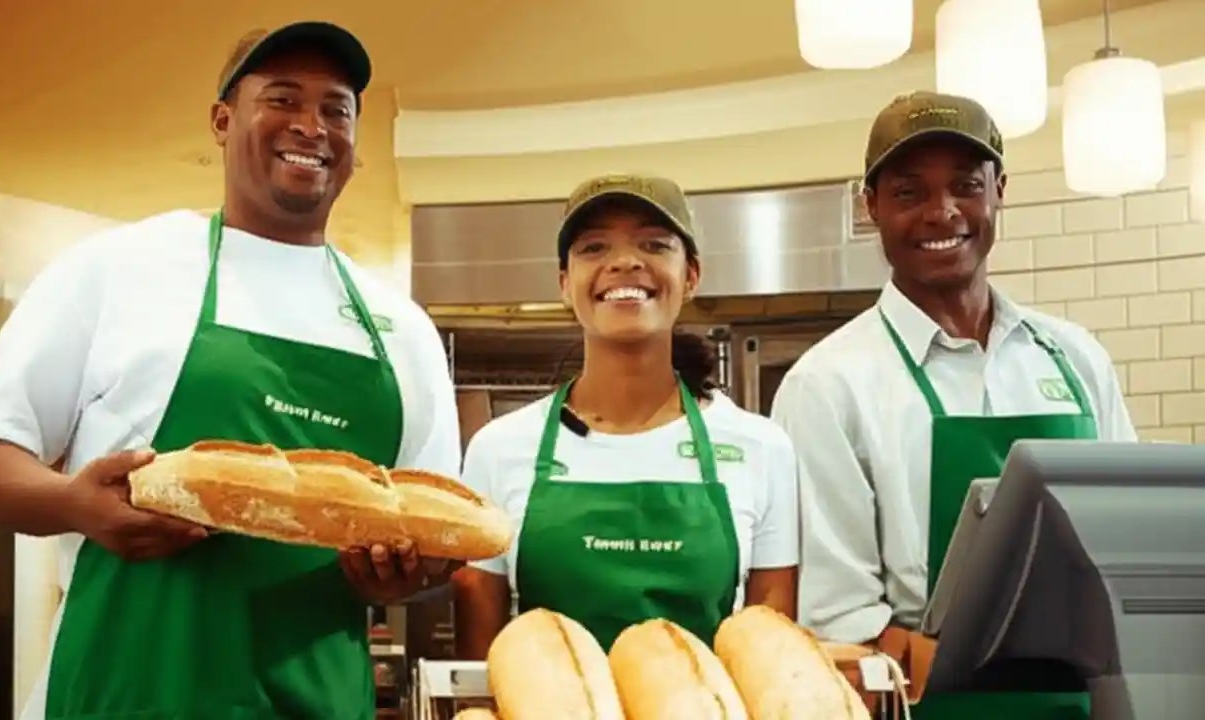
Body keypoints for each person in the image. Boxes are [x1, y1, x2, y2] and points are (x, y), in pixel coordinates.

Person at [0, 21, 462, 720]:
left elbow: (435, 547)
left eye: (335, 109)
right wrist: (76, 506)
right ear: (223, 120)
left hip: (318, 703)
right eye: (282, 99)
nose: (311, 126)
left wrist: (401, 579)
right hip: (124, 697)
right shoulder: (120, 268)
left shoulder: (404, 330)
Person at [770, 91, 1139, 719]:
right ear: (871, 208)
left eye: (966, 185)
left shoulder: (1074, 358)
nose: (942, 212)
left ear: (999, 190)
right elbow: (840, 624)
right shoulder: (827, 386)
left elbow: (1130, 546)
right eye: (909, 193)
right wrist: (1003, 681)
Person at [451, 173, 800, 658]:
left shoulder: (761, 448)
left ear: (691, 275)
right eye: (594, 248)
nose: (625, 262)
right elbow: (479, 670)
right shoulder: (498, 448)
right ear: (564, 284)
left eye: (654, 244)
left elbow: (773, 659)